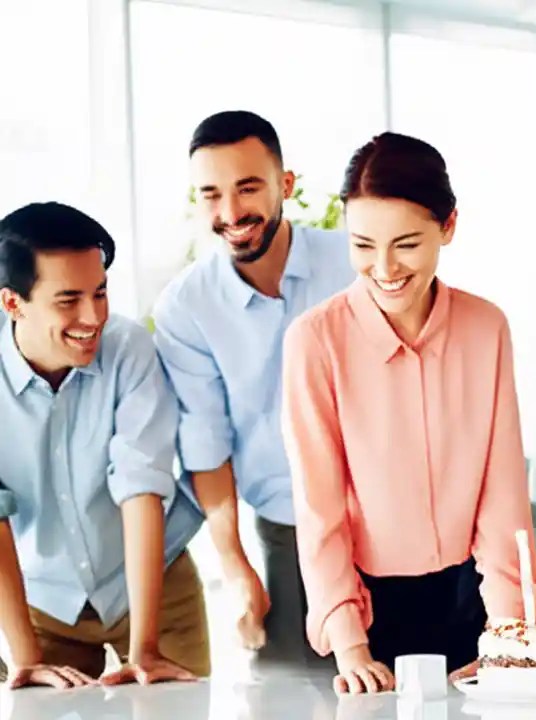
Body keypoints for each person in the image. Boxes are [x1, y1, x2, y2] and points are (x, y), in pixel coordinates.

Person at [281, 132, 536, 695]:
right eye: (362, 245)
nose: (383, 268)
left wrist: (507, 630)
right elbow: (319, 507)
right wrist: (350, 643)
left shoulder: (486, 327)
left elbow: (502, 493)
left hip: (471, 602)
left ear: (448, 227)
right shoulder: (315, 340)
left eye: (406, 244)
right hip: (365, 610)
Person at [152, 110, 353, 667]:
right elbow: (206, 445)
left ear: (285, 185)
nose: (231, 212)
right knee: (299, 697)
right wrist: (235, 565)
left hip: (393, 526)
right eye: (211, 194)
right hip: (287, 534)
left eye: (248, 188)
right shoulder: (185, 307)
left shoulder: (355, 261)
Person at [0, 202, 208, 688]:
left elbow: (140, 487)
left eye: (100, 292)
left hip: (156, 585)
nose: (93, 317)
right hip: (44, 601)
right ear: (13, 303)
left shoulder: (129, 348)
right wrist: (24, 657)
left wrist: (146, 649)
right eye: (68, 300)